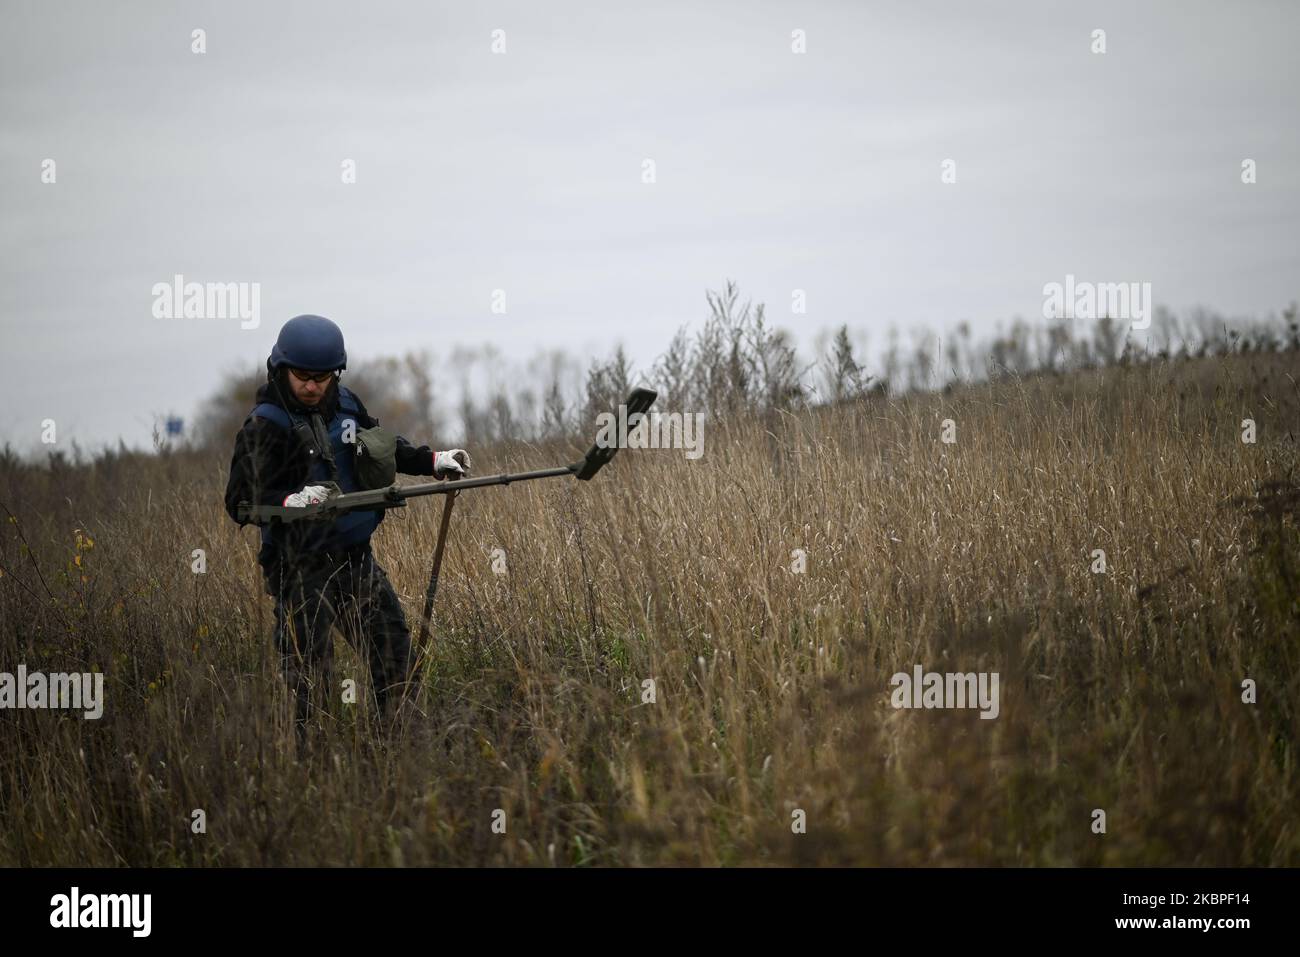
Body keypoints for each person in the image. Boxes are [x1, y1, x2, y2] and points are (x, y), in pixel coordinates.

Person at [223, 314, 470, 738]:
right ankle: (313, 765)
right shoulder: (264, 426)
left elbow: (382, 445)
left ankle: (399, 748)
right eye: (303, 377)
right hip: (297, 568)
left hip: (354, 562)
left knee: (394, 653)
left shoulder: (347, 406)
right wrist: (289, 502)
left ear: (335, 374)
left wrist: (432, 461)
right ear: (281, 369)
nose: (313, 386)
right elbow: (239, 502)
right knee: (310, 678)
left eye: (322, 377)